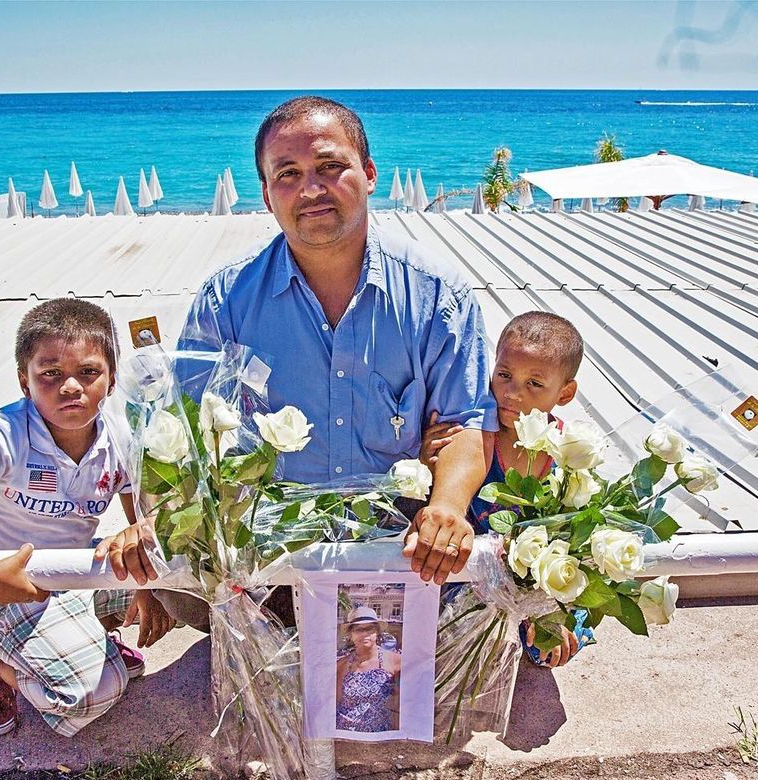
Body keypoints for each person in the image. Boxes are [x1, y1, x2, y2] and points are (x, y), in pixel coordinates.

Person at [103, 96, 494, 604]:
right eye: (287, 174)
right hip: (268, 560)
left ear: (369, 173)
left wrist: (445, 506)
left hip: (398, 551)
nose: (311, 189)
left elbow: (468, 424)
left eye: (331, 166)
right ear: (266, 195)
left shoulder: (439, 295)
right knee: (179, 593)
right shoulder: (226, 302)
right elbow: (184, 435)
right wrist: (154, 521)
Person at [0, 298, 174, 737]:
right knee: (91, 694)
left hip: (69, 575)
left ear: (111, 380)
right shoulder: (5, 432)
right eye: (50, 373)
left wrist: (147, 581)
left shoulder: (122, 436)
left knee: (183, 591)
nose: (71, 386)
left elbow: (142, 518)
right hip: (4, 587)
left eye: (88, 372)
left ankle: (86, 645)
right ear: (24, 382)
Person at [421, 311, 595, 668]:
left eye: (534, 384)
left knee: (553, 641)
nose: (512, 394)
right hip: (464, 573)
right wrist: (426, 459)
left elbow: (572, 539)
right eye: (504, 376)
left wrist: (545, 611)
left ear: (565, 393)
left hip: (531, 580)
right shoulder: (470, 437)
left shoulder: (568, 453)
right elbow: (430, 494)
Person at [336, 607, 402, 732]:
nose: (364, 634)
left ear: (377, 632)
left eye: (369, 629)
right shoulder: (341, 665)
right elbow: (336, 701)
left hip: (379, 739)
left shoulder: (395, 661)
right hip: (346, 736)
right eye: (358, 629)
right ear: (350, 634)